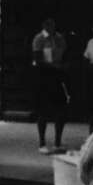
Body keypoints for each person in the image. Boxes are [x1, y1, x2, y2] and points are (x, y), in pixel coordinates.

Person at [31, 17, 69, 154]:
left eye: (53, 25)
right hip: (43, 76)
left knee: (61, 108)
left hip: (57, 76)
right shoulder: (39, 39)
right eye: (48, 25)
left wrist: (63, 66)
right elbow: (37, 59)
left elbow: (65, 54)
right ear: (44, 26)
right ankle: (42, 143)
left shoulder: (59, 38)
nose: (51, 28)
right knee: (43, 110)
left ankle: (58, 142)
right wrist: (54, 66)